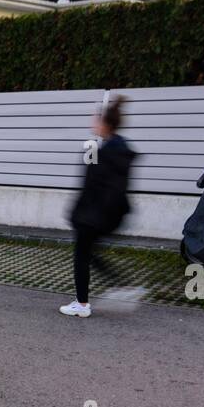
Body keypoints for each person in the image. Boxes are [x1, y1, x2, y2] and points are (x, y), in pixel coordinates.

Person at [60, 96, 137, 318]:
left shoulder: (99, 153)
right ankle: (123, 286)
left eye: (96, 120)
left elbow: (90, 187)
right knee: (90, 253)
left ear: (105, 124)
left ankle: (82, 305)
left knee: (82, 255)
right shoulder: (121, 148)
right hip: (111, 215)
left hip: (93, 215)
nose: (93, 123)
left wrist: (77, 215)